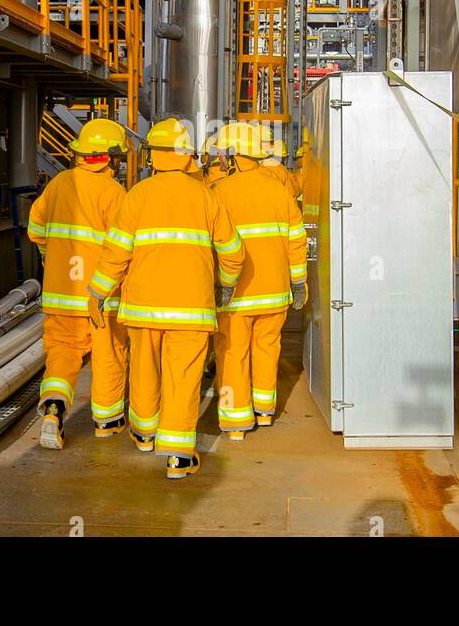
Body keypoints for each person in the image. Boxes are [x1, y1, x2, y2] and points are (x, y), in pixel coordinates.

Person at [87, 117, 245, 479]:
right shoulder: (206, 196)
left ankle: (144, 435)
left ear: (152, 156)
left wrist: (97, 292)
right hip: (190, 310)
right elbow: (233, 251)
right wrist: (227, 283)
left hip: (143, 307)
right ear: (187, 155)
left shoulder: (137, 196)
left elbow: (115, 253)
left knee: (144, 370)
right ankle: (177, 456)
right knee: (183, 377)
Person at [27, 118, 130, 450]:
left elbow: (36, 228)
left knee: (61, 356)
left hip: (60, 293)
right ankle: (107, 422)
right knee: (108, 356)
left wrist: (49, 256)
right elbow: (124, 245)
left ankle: (53, 412)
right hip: (100, 296)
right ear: (108, 157)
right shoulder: (113, 192)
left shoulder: (58, 184)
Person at [210, 122, 307, 436]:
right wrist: (298, 282)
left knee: (234, 352)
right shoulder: (279, 191)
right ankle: (264, 412)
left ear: (237, 158)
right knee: (267, 349)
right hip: (275, 293)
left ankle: (236, 422)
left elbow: (213, 244)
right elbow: (296, 240)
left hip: (235, 294)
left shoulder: (220, 192)